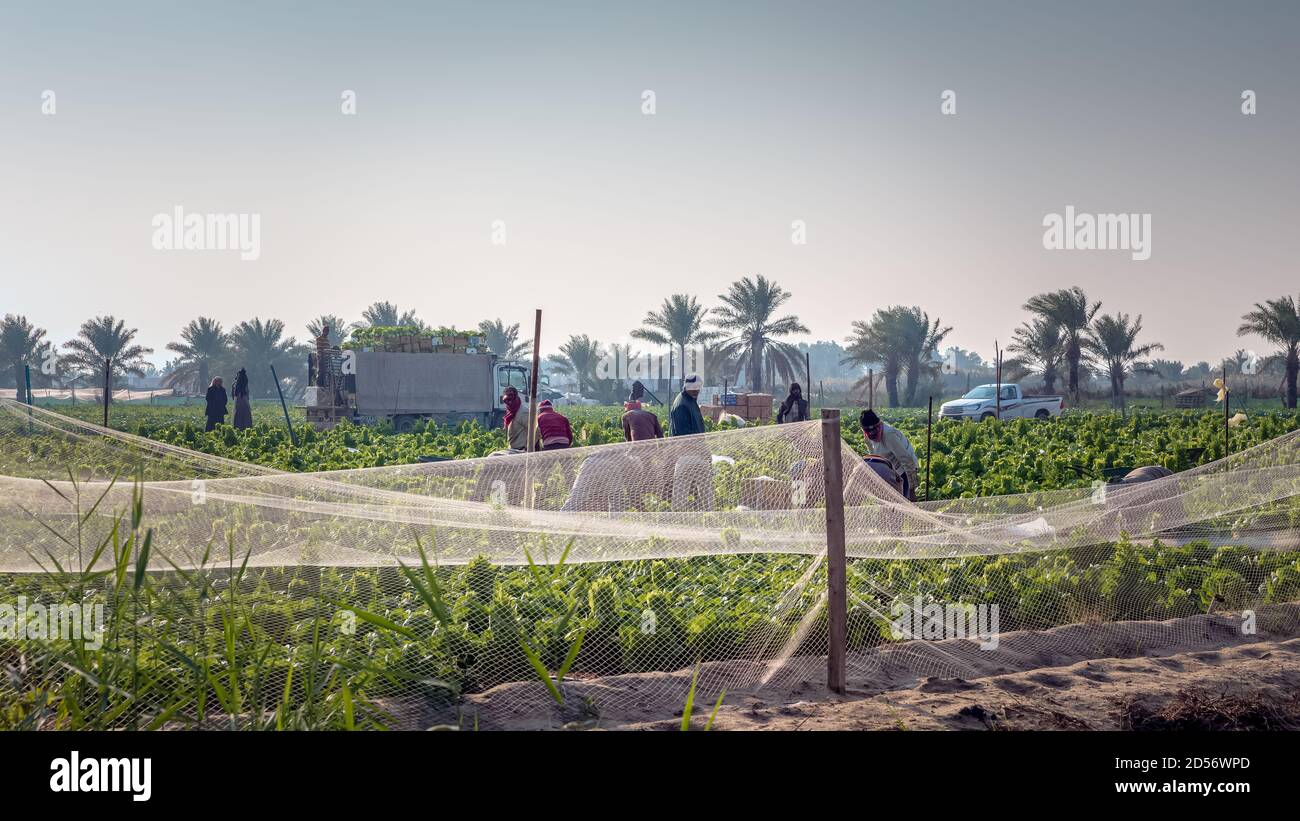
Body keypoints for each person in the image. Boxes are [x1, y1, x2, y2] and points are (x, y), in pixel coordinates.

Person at [860, 409, 918, 501]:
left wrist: (911, 488)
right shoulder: (867, 437)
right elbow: (874, 456)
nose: (875, 437)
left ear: (879, 426)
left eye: (876, 433)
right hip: (889, 469)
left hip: (904, 470)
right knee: (890, 501)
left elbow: (906, 460)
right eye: (871, 436)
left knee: (904, 502)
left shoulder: (889, 435)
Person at [501, 386, 528, 451]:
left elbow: (535, 431)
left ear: (516, 398)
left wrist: (529, 448)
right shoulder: (510, 414)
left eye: (511, 399)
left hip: (522, 450)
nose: (509, 403)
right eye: (507, 401)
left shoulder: (523, 412)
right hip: (513, 449)